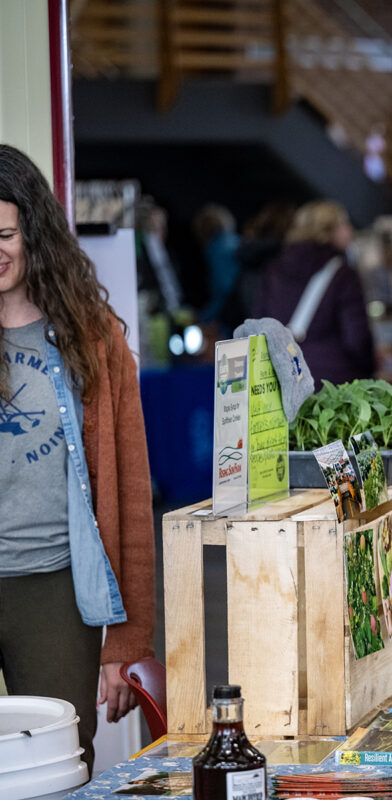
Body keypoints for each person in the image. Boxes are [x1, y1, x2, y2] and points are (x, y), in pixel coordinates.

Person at [0, 144, 154, 777]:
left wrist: (127, 643)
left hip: (55, 589)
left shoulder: (93, 337)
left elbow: (131, 495)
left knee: (60, 772)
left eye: (4, 233)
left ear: (33, 231)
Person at [257, 199, 375, 386]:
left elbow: (262, 322)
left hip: (287, 379)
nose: (350, 230)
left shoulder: (274, 270)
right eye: (344, 224)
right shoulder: (344, 275)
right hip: (335, 382)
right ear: (328, 231)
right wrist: (370, 369)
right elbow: (356, 339)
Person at [192, 203, 241, 333]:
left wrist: (203, 318)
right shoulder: (236, 242)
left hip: (230, 320)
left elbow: (224, 289)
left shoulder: (217, 250)